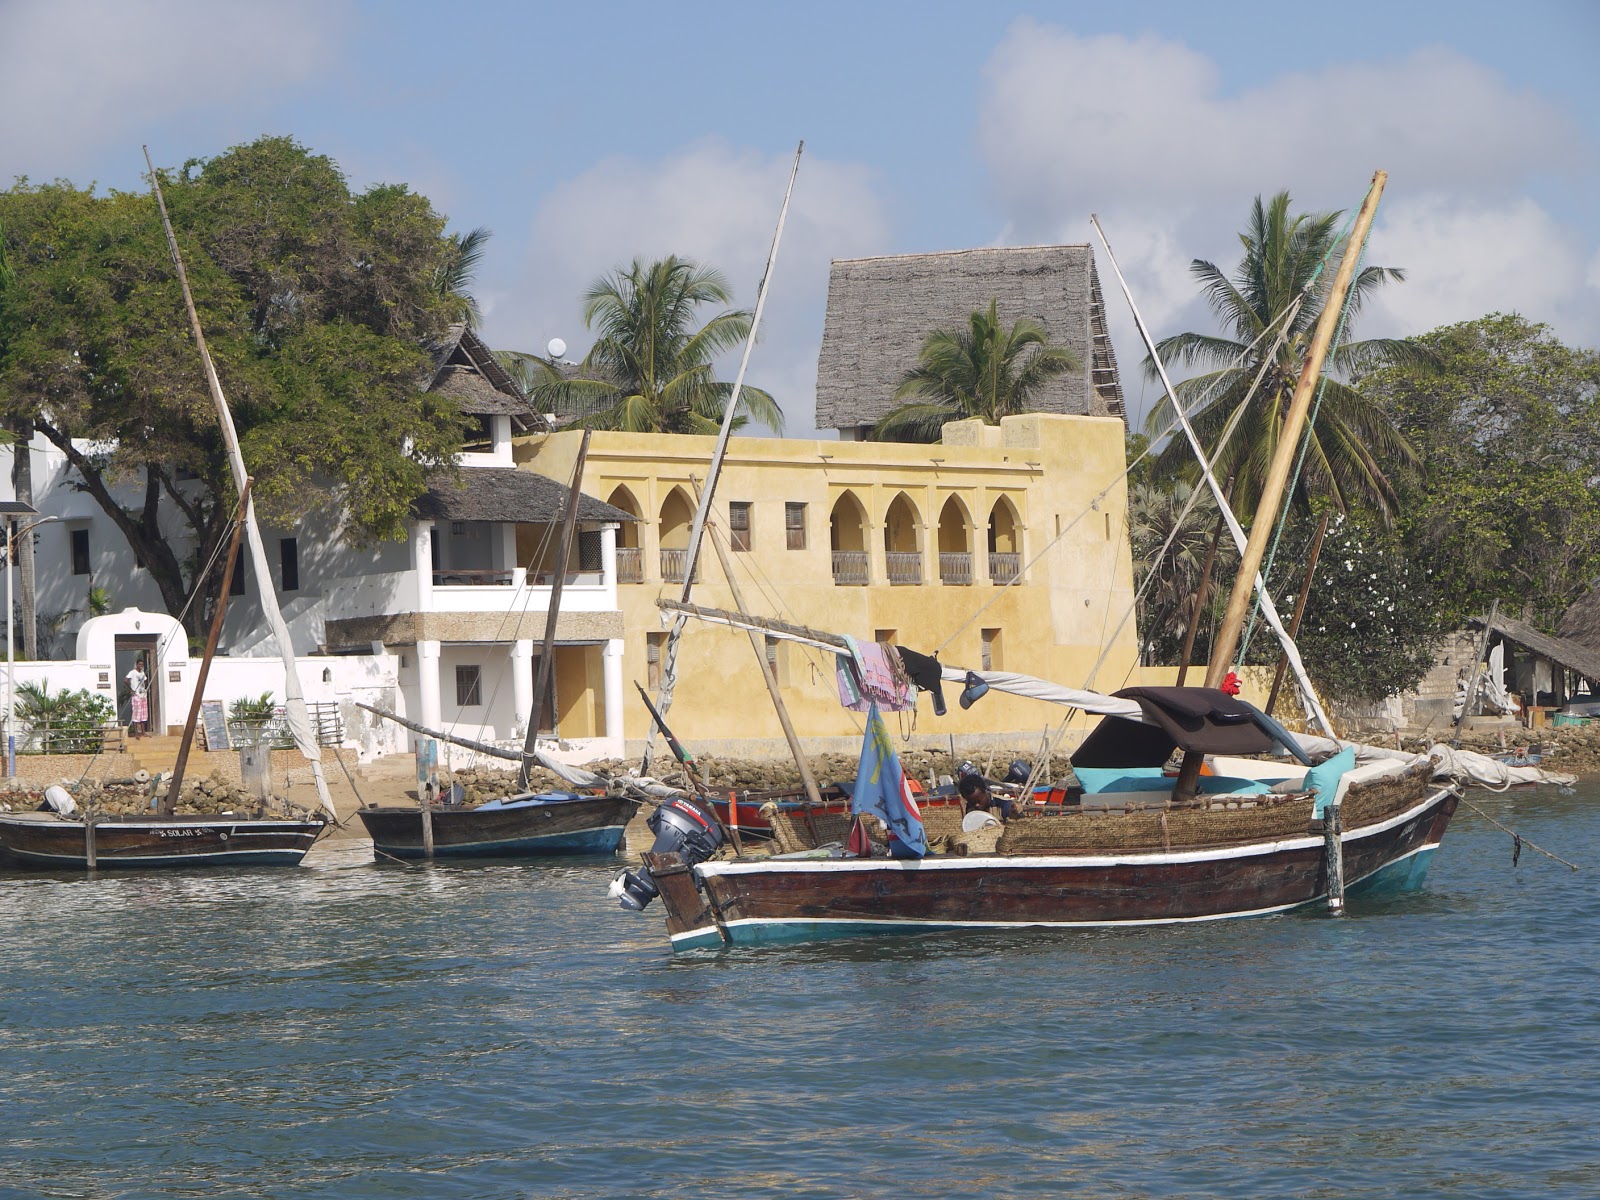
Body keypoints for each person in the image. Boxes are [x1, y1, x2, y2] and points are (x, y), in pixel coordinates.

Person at [126, 656, 149, 740]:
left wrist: (144, 688)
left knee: (143, 714)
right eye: (139, 664)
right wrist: (131, 690)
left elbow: (145, 680)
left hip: (143, 695)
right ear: (136, 664)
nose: (141, 666)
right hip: (136, 696)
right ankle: (136, 733)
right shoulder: (132, 672)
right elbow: (126, 680)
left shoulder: (142, 673)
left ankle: (143, 732)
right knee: (136, 714)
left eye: (142, 665)